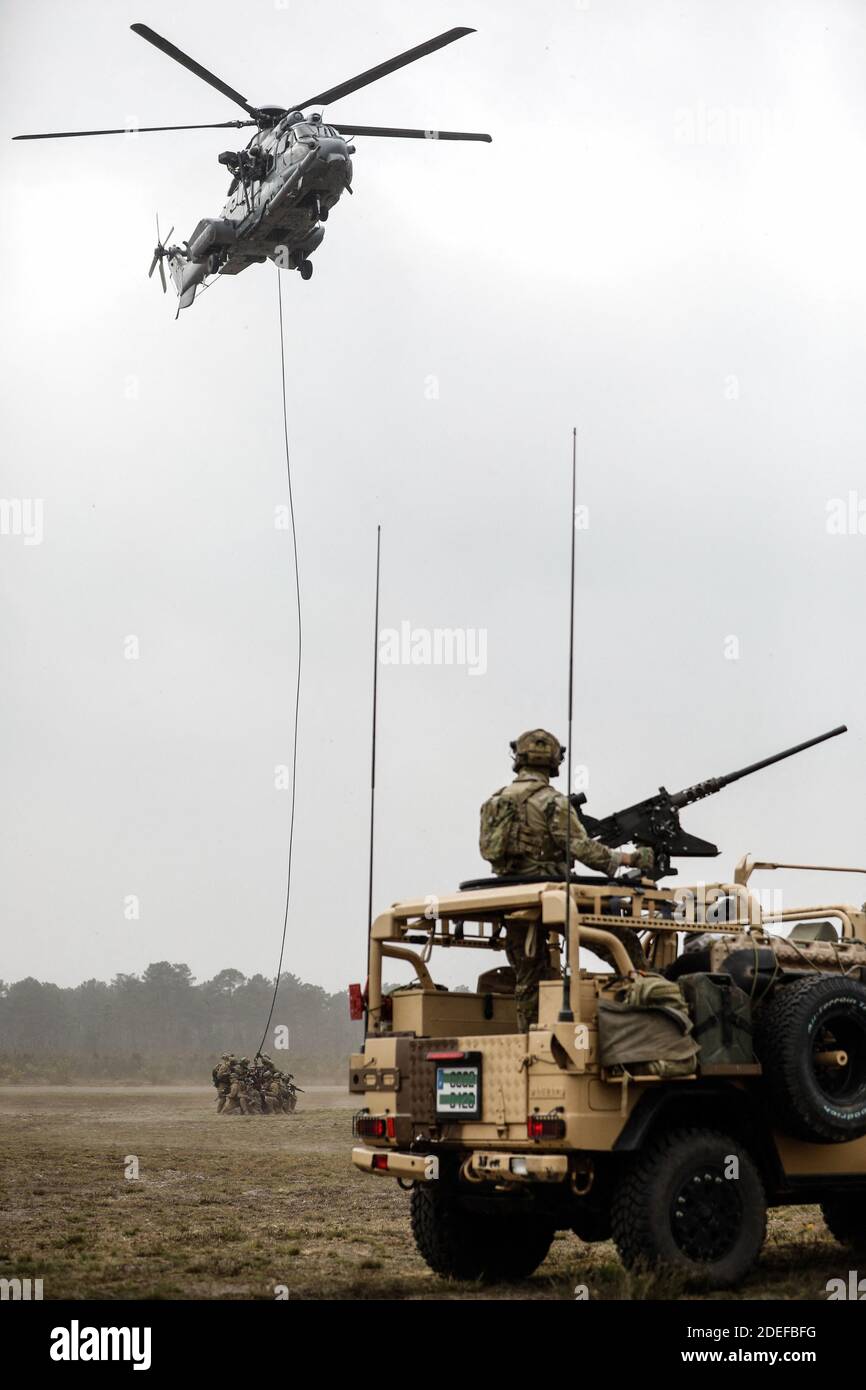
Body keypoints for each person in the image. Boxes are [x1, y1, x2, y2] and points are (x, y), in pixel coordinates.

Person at [479, 729, 654, 1030]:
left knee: (528, 978)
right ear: (553, 762)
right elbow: (582, 848)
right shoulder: (553, 802)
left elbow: (487, 849)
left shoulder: (495, 800)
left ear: (518, 759)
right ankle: (649, 1018)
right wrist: (630, 859)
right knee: (624, 945)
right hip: (555, 897)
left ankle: (528, 1042)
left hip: (513, 898)